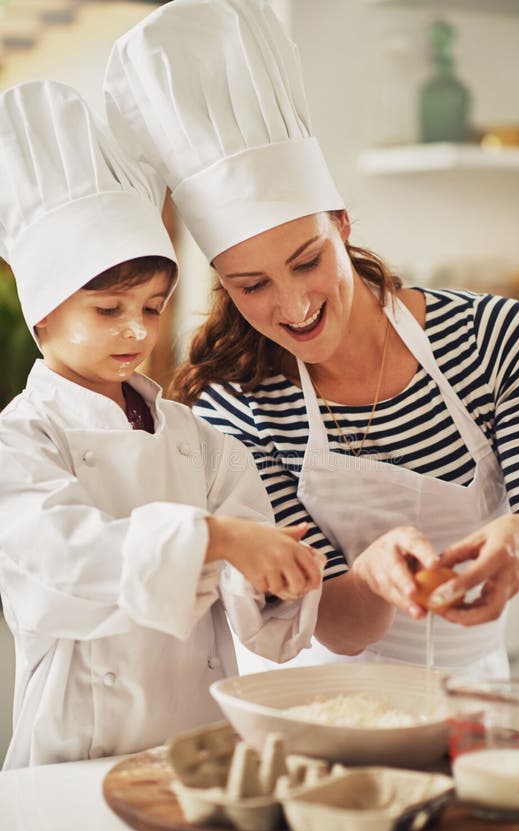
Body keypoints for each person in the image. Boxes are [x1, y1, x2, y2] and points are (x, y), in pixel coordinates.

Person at [104, 0, 519, 678]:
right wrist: (368, 574)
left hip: (468, 704)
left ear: (340, 222)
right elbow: (337, 626)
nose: (294, 304)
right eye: (253, 286)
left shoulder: (495, 338)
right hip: (307, 708)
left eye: (306, 260)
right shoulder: (236, 400)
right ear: (222, 282)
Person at [0, 79, 323, 769]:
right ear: (44, 313)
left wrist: (271, 578)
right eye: (109, 308)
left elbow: (249, 602)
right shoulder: (19, 439)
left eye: (152, 307)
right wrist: (221, 541)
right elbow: (62, 564)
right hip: (75, 756)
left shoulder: (197, 438)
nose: (136, 331)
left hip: (198, 748)